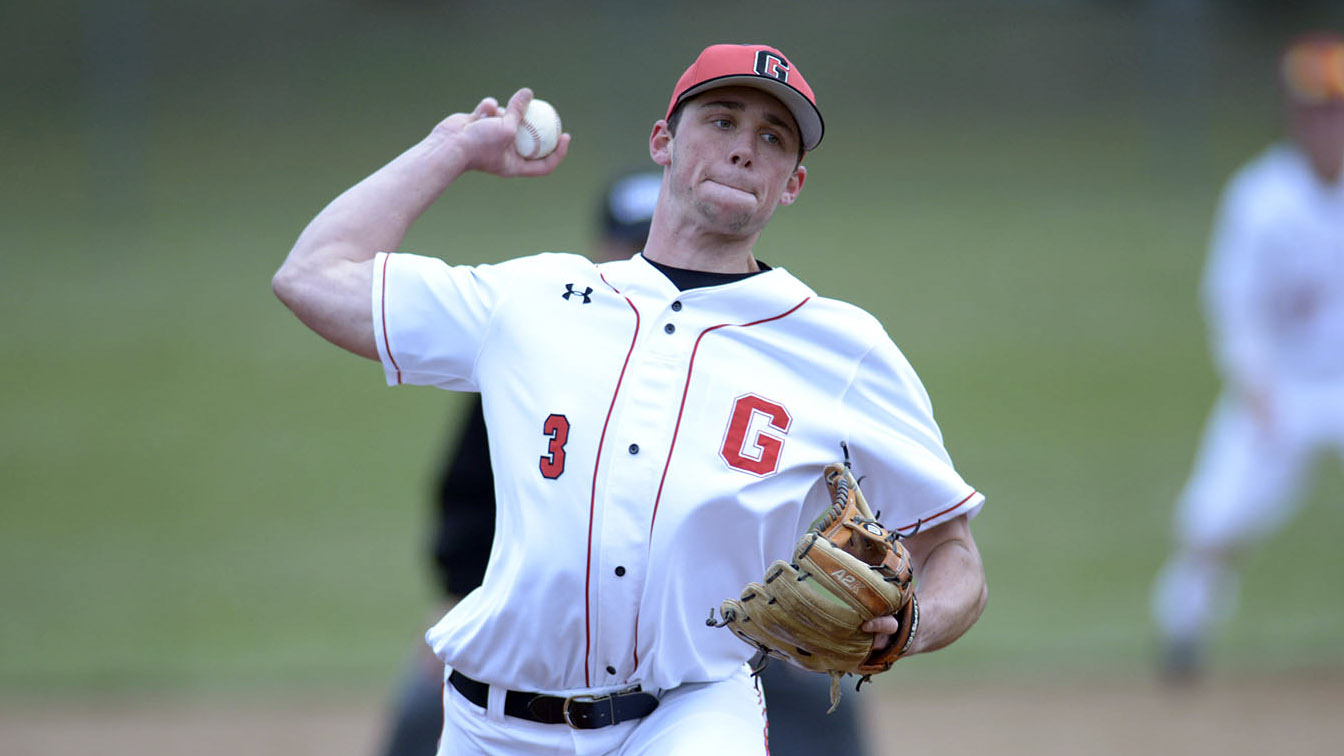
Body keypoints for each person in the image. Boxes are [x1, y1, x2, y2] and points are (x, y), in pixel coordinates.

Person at [273, 43, 988, 755]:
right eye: (722, 120)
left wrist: (912, 626)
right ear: (663, 141)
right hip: (488, 725)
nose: (745, 149)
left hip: (695, 714)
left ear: (792, 183)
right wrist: (451, 149)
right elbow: (312, 275)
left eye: (773, 138)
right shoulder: (532, 299)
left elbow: (951, 551)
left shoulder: (843, 347)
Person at [377, 169, 874, 756]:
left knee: (822, 704)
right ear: (604, 251)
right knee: (421, 706)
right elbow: (469, 494)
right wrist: (459, 593)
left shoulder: (750, 353)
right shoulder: (537, 342)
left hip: (725, 637)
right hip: (538, 651)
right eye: (629, 240)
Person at [1150, 31, 1344, 681]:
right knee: (1215, 516)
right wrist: (1255, 385)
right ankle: (1184, 633)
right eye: (1317, 109)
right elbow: (1234, 304)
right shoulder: (1261, 198)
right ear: (1293, 115)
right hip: (1282, 383)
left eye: (1338, 109)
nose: (1328, 124)